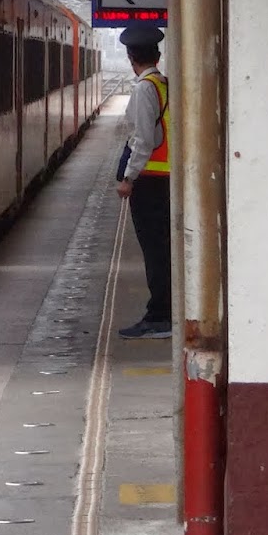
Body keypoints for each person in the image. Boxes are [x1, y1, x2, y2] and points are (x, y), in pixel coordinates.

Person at [116, 24, 172, 339]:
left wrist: (128, 177)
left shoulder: (143, 89)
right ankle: (163, 312)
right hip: (163, 179)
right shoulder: (163, 83)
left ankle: (160, 317)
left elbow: (142, 140)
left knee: (155, 251)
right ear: (157, 54)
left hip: (150, 181)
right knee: (161, 249)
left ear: (130, 56)